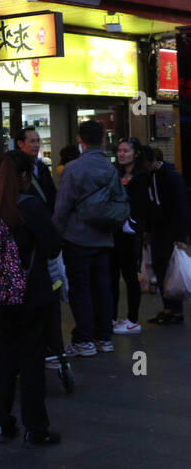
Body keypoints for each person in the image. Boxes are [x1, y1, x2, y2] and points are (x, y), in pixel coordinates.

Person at [0, 151, 64, 445]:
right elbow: (53, 246)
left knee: (3, 358)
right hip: (32, 294)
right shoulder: (30, 206)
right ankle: (35, 427)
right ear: (26, 176)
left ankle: (2, 423)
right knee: (31, 362)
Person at [53, 120, 124, 357]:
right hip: (103, 238)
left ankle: (83, 339)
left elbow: (62, 207)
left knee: (80, 289)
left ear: (79, 140)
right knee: (102, 287)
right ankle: (104, 337)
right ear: (103, 139)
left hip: (77, 237)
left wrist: (55, 234)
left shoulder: (73, 168)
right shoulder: (110, 168)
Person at [144, 147, 188, 326]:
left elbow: (181, 206)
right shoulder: (152, 176)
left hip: (169, 231)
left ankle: (176, 310)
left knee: (170, 269)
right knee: (161, 268)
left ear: (152, 161)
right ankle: (169, 308)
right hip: (158, 230)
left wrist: (181, 236)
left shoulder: (171, 176)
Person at [110, 139, 148, 335]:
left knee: (130, 276)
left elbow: (140, 204)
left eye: (126, 151)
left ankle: (133, 319)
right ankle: (112, 317)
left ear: (136, 154)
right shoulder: (115, 173)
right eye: (119, 150)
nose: (122, 154)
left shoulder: (141, 176)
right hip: (114, 231)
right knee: (112, 276)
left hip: (130, 232)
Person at [16, 128, 57, 208]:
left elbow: (52, 193)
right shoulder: (15, 167)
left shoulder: (42, 166)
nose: (37, 145)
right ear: (20, 143)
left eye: (38, 141)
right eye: (32, 141)